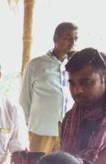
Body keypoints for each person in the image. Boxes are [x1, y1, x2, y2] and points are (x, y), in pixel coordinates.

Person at [19, 22, 78, 153]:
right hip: (41, 133)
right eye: (67, 38)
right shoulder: (36, 65)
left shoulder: (76, 67)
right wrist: (26, 131)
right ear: (55, 38)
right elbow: (24, 100)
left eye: (75, 39)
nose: (72, 43)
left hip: (70, 135)